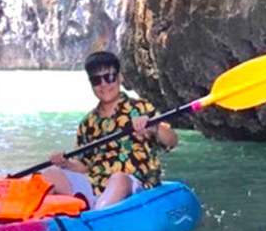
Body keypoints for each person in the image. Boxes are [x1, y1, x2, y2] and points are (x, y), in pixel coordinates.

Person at [41, 50, 178, 210]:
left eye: (109, 77)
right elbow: (85, 164)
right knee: (50, 174)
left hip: (134, 183)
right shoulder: (87, 123)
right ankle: (54, 218)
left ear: (120, 77)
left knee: (118, 178)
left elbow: (172, 141)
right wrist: (66, 163)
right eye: (96, 80)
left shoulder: (140, 108)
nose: (104, 84)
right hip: (96, 184)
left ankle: (97, 216)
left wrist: (153, 127)